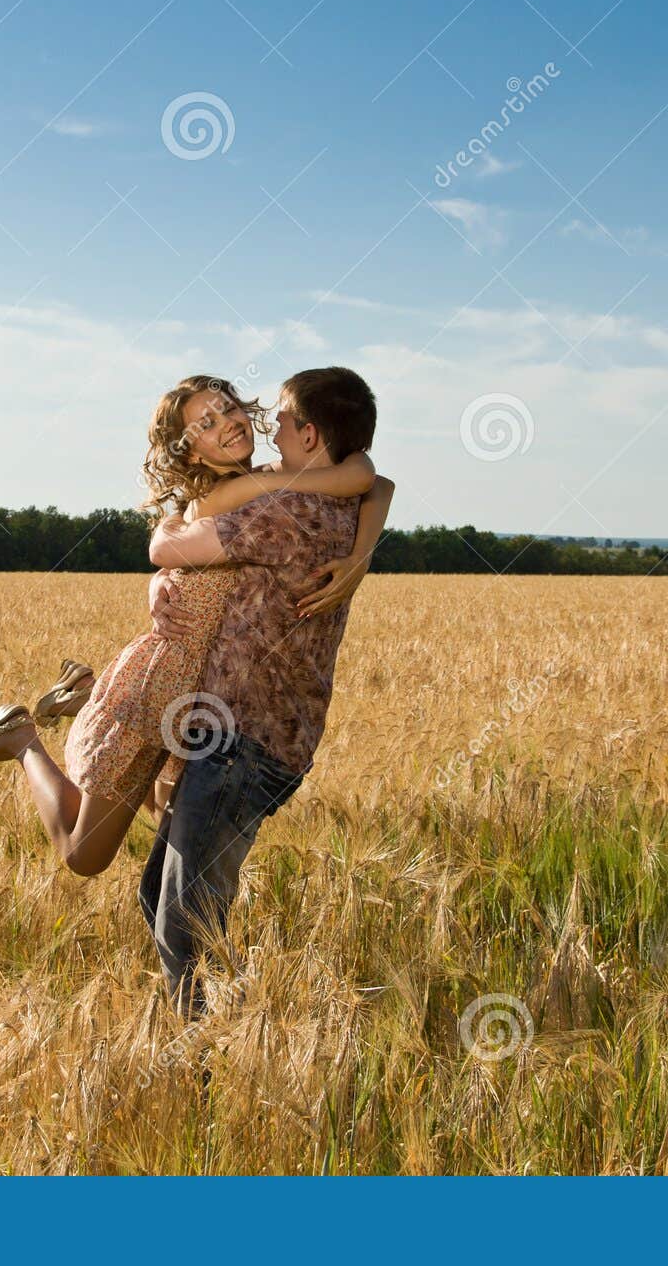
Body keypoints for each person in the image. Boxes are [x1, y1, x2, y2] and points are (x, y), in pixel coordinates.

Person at [0, 373, 391, 885]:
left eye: (229, 409)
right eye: (205, 424)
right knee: (85, 855)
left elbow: (369, 476)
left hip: (207, 698)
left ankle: (85, 695)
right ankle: (22, 738)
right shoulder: (218, 502)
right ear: (192, 454)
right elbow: (163, 547)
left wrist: (360, 556)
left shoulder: (278, 481)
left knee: (173, 824)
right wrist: (165, 571)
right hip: (163, 684)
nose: (226, 423)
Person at [140, 365, 389, 1015]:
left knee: (186, 925)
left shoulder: (286, 509)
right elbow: (373, 477)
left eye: (281, 418)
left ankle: (214, 1062)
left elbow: (168, 548)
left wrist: (165, 554)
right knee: (159, 897)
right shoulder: (326, 497)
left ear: (308, 432)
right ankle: (226, 1033)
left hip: (244, 743)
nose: (267, 426)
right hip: (245, 737)